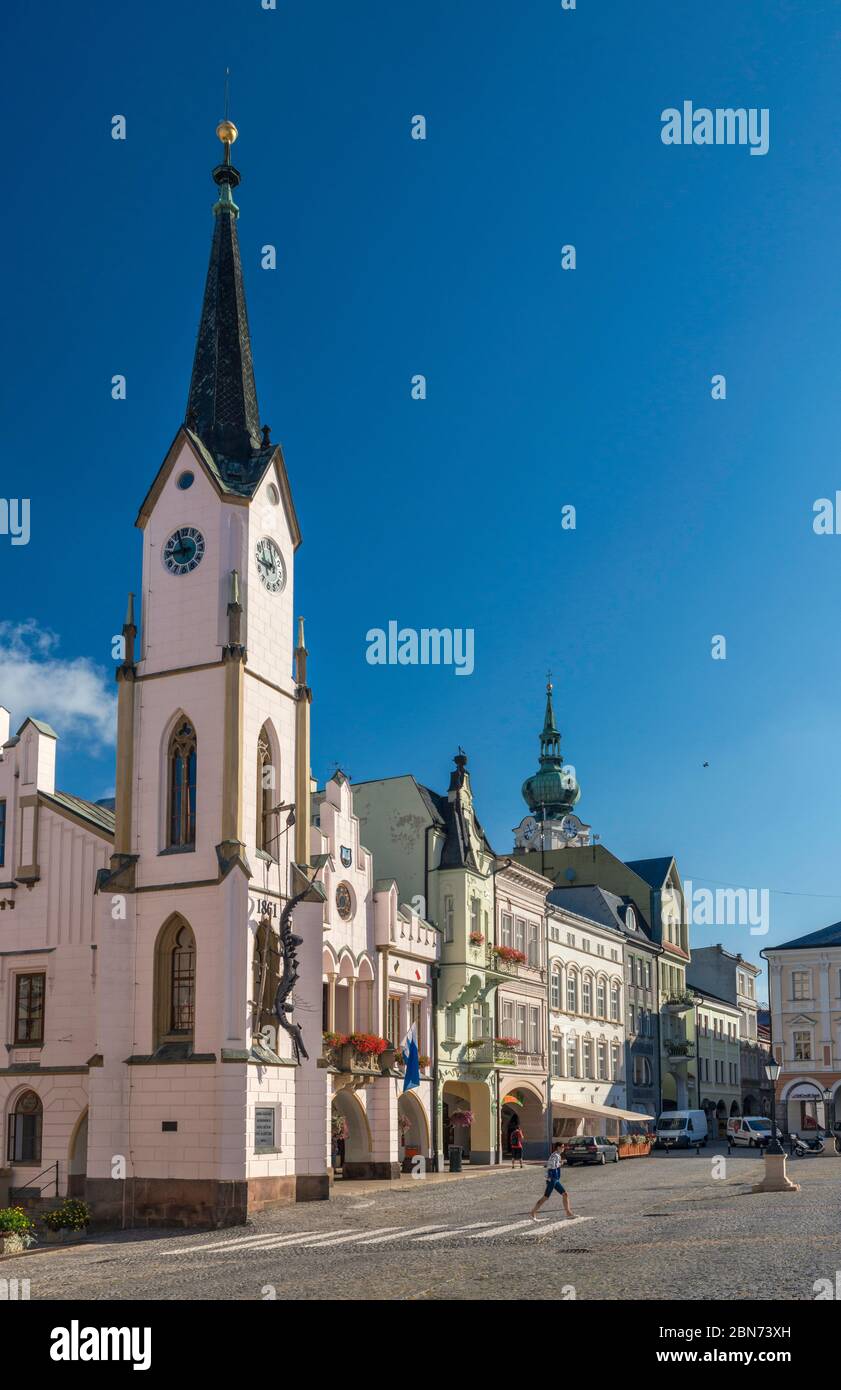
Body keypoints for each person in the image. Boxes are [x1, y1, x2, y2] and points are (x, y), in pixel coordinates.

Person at [531, 1142, 575, 1220]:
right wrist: (560, 1164)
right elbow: (551, 1166)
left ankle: (568, 1213)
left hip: (555, 1179)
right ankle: (533, 1212)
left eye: (563, 1147)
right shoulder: (555, 1155)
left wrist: (559, 1164)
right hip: (552, 1179)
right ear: (558, 1147)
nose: (563, 1148)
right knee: (545, 1197)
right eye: (562, 1147)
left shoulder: (557, 1155)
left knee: (565, 1194)